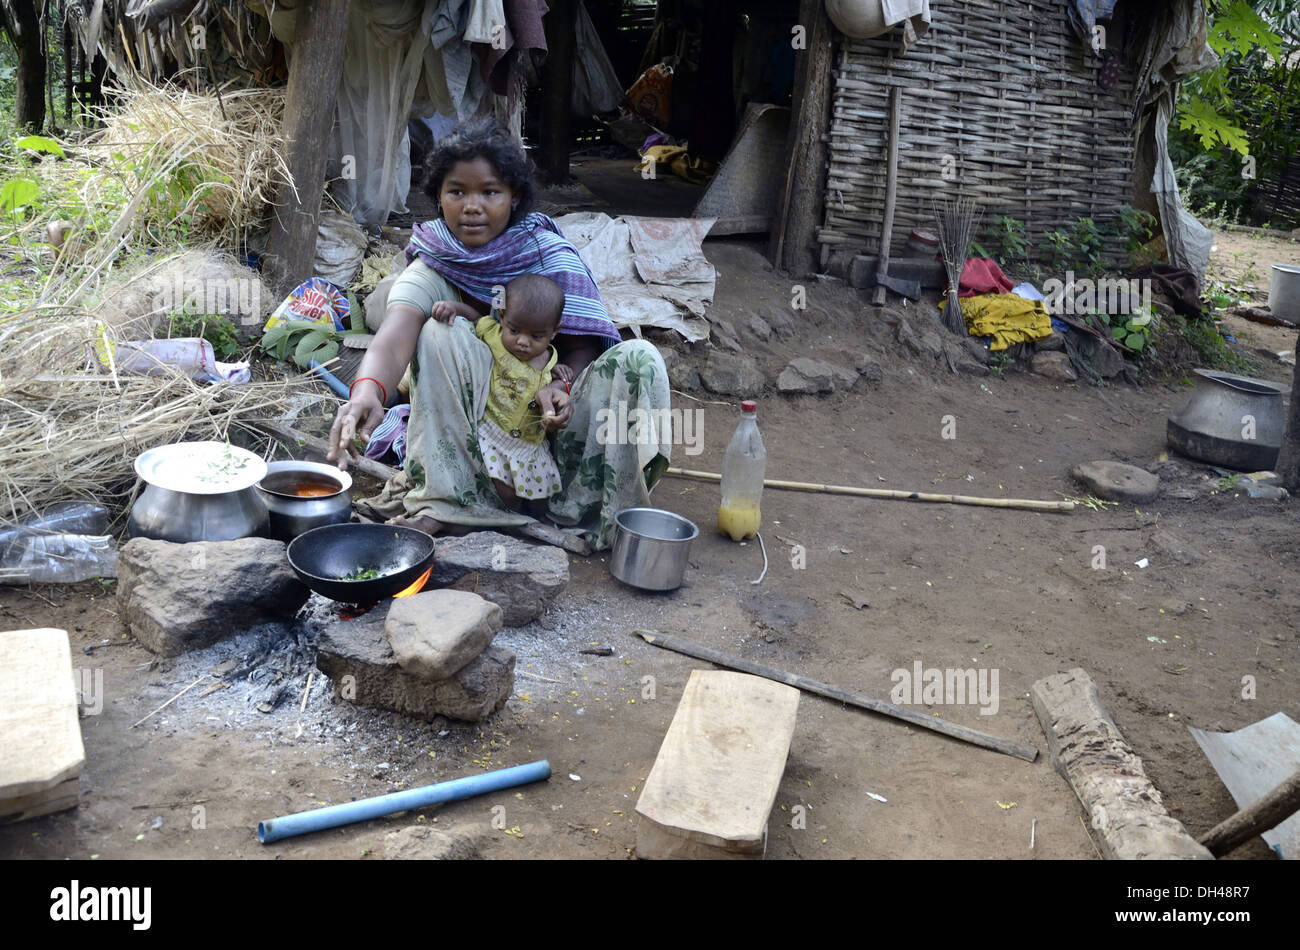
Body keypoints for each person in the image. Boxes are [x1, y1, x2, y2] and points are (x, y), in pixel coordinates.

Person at [326, 117, 672, 550]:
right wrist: (366, 393)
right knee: (439, 329)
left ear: (516, 197)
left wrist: (561, 385)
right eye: (457, 191)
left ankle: (584, 505)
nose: (473, 206)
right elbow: (395, 335)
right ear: (438, 196)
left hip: (551, 436)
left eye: (490, 192)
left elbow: (584, 345)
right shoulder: (436, 258)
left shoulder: (547, 253)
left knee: (641, 359)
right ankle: (455, 502)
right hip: (479, 450)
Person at [427, 273, 571, 513]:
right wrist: (453, 307)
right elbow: (475, 317)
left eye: (536, 336)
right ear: (502, 317)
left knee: (540, 501)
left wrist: (561, 373)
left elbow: (556, 384)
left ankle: (534, 523)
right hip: (493, 433)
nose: (523, 342)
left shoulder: (550, 358)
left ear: (554, 332)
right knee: (505, 493)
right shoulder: (493, 335)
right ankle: (504, 522)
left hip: (529, 444)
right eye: (514, 331)